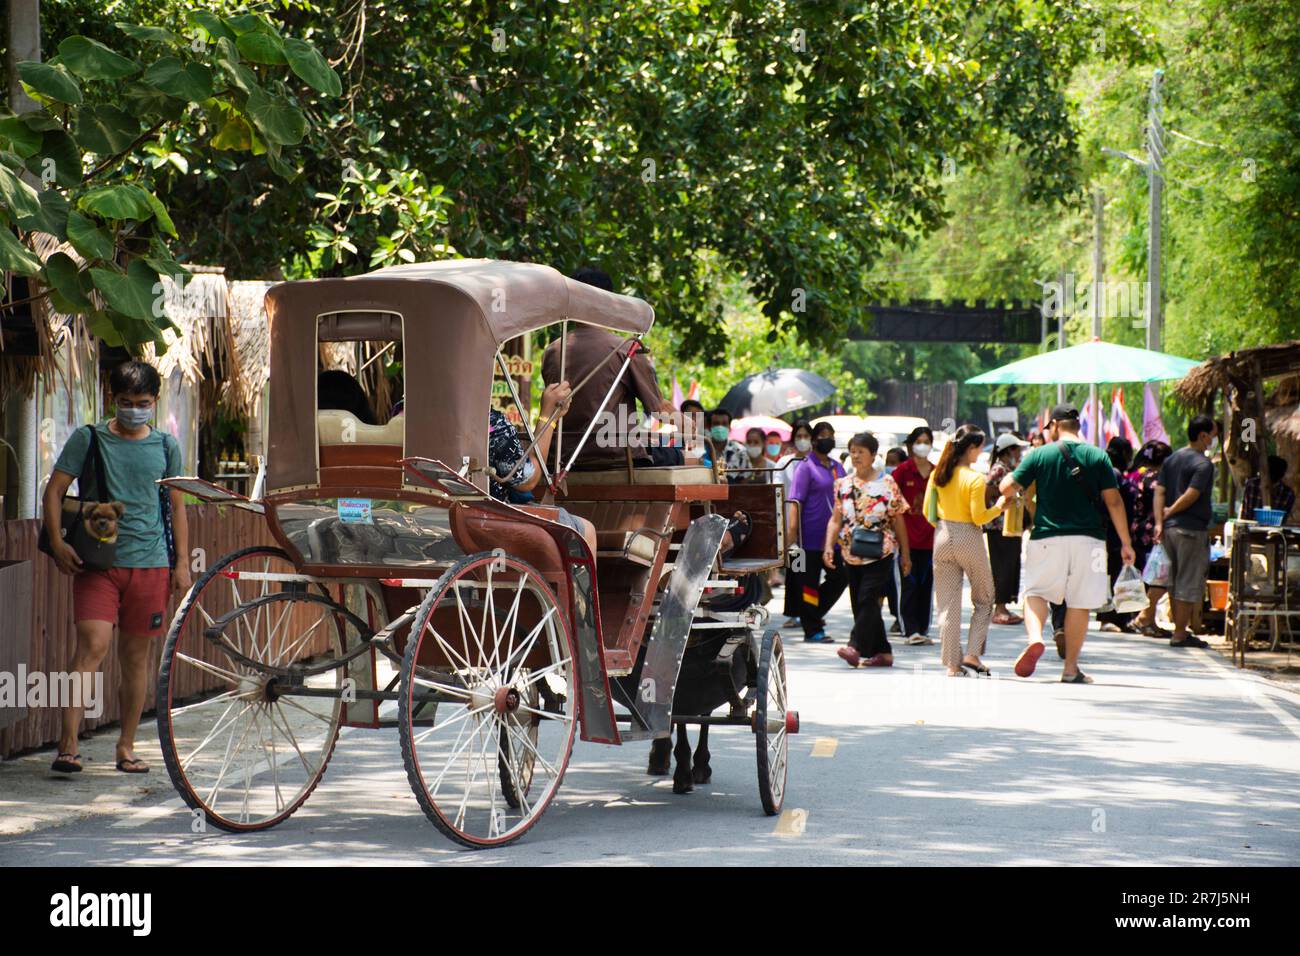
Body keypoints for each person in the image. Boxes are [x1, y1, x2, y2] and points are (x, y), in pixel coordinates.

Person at [44, 360, 189, 775]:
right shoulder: (88, 438)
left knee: (136, 659)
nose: (133, 410)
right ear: (113, 400)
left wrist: (181, 564)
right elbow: (54, 491)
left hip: (151, 565)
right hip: (98, 562)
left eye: (142, 403)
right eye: (125, 402)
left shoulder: (165, 446)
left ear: (155, 402)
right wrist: (57, 543)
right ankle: (68, 746)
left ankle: (126, 746)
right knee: (91, 648)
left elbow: (177, 507)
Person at [999, 404, 1135, 684]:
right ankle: (1071, 668)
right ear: (1077, 426)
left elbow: (1006, 488)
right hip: (1090, 540)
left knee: (1036, 592)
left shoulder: (1039, 454)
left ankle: (1036, 638)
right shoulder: (1098, 456)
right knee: (1080, 602)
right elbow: (1113, 501)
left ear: (1056, 426)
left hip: (1047, 537)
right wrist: (1125, 542)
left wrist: (1013, 482)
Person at [540, 267, 682, 468]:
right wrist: (693, 427)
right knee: (684, 454)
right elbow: (659, 410)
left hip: (561, 457)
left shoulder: (552, 351)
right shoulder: (627, 349)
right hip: (618, 457)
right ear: (608, 303)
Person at [823, 432, 910, 668]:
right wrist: (828, 546)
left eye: (861, 451)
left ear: (873, 455)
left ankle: (855, 646)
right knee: (862, 603)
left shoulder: (887, 484)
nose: (856, 456)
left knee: (868, 599)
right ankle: (884, 652)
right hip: (851, 552)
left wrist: (906, 554)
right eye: (852, 451)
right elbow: (835, 519)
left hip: (881, 551)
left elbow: (899, 519)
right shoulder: (842, 484)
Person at [484, 381, 598, 555]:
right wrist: (548, 416)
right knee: (587, 530)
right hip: (490, 518)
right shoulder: (493, 425)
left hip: (437, 516)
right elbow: (527, 479)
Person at [929, 425, 1006, 676]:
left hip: (941, 534)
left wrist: (943, 526)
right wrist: (1000, 507)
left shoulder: (938, 475)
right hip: (968, 536)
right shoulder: (974, 478)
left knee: (947, 605)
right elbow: (979, 516)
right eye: (980, 447)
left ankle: (952, 664)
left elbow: (927, 513)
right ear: (971, 448)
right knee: (984, 598)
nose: (981, 451)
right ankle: (972, 655)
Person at [1154, 415, 1219, 649]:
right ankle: (1180, 634)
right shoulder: (1203, 464)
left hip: (1170, 530)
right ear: (1203, 436)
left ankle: (1180, 630)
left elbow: (1159, 491)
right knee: (1188, 580)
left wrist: (1160, 521)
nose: (1213, 439)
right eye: (1213, 435)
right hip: (1190, 529)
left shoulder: (1171, 459)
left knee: (1175, 581)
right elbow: (1193, 494)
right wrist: (1170, 512)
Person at [786, 420, 847, 643]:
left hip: (835, 540)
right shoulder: (805, 467)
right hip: (808, 539)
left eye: (830, 434)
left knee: (841, 577)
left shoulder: (837, 467)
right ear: (813, 439)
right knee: (808, 584)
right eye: (822, 434)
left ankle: (810, 615)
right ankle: (812, 630)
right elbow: (795, 502)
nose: (826, 439)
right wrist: (792, 534)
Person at [891, 426, 937, 644]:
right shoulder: (902, 471)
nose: (923, 445)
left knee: (926, 585)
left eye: (926, 441)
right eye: (919, 441)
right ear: (911, 444)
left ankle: (923, 628)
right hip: (906, 540)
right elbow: (892, 503)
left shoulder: (937, 472)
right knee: (908, 585)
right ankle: (909, 629)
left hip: (931, 539)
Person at [1126, 440, 1173, 636]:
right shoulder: (1158, 480)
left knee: (1141, 576)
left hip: (1134, 530)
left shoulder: (1135, 476)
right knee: (1155, 577)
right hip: (1152, 532)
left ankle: (1144, 618)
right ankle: (1144, 618)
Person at [985, 432, 1029, 626]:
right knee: (1001, 566)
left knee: (1011, 565)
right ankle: (999, 607)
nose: (1019, 453)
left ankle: (1004, 605)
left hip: (1011, 525)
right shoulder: (999, 470)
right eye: (1017, 449)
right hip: (999, 526)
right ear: (1009, 450)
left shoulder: (1010, 469)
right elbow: (986, 492)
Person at [1095, 436, 1137, 632]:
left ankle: (1115, 617)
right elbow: (1114, 504)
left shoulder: (1108, 472)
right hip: (1112, 532)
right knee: (1111, 573)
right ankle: (1108, 618)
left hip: (1111, 531)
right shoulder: (1113, 474)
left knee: (1112, 573)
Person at [776, 420, 813, 628]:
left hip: (812, 524)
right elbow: (778, 491)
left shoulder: (816, 463)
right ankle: (794, 612)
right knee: (796, 569)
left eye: (806, 436)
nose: (802, 440)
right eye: (798, 436)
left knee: (811, 571)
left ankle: (811, 610)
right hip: (791, 524)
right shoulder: (785, 463)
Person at [1240, 455, 1296, 525]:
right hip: (1250, 530)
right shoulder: (1252, 485)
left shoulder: (1288, 494)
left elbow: (1283, 520)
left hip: (1273, 533)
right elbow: (1245, 513)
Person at [705, 406, 749, 480]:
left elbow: (745, 478)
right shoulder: (702, 450)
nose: (720, 427)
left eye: (724, 424)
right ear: (709, 427)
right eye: (716, 423)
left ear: (729, 427)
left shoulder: (740, 451)